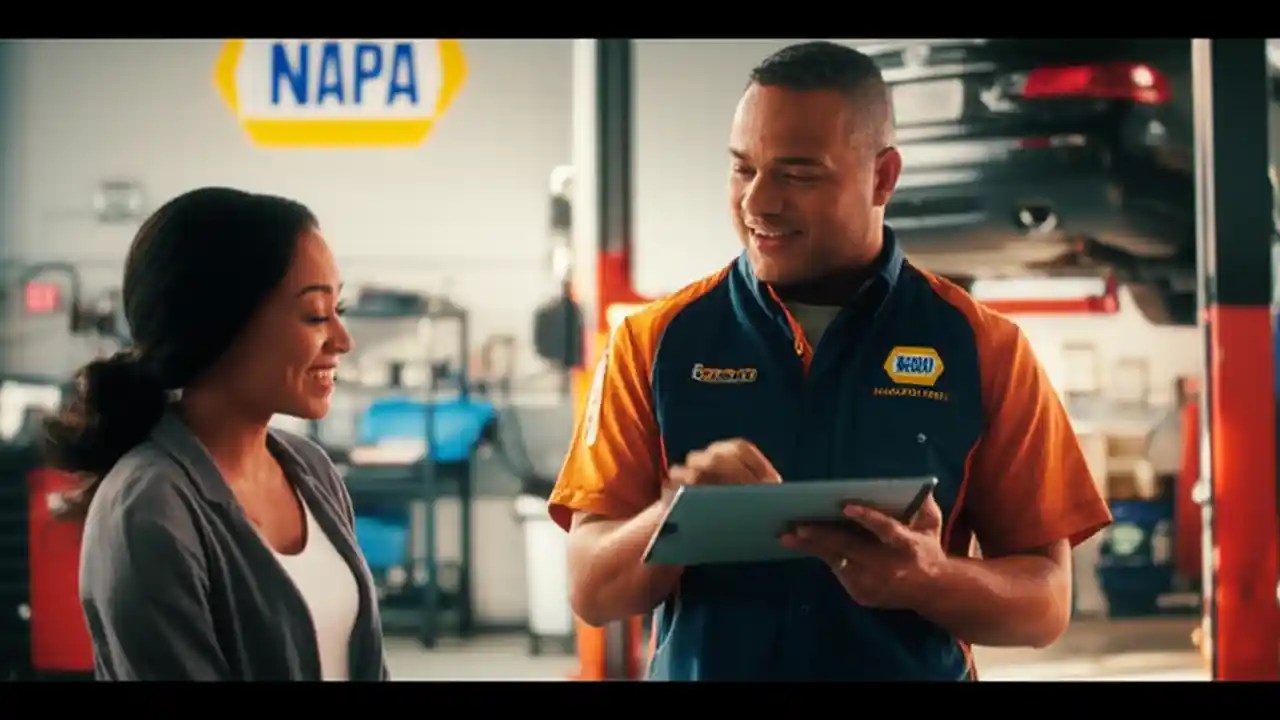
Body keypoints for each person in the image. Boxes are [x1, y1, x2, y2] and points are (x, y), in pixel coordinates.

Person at [548, 41, 1113, 681]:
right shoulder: (654, 343)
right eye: (743, 170)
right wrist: (678, 519)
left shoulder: (985, 348)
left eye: (798, 175)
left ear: (883, 177)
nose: (758, 203)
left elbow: (1045, 604)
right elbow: (591, 589)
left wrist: (931, 578)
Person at [42, 187, 390, 681]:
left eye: (341, 310)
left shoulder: (310, 470)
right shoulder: (151, 506)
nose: (342, 340)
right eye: (315, 314)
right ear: (222, 323)